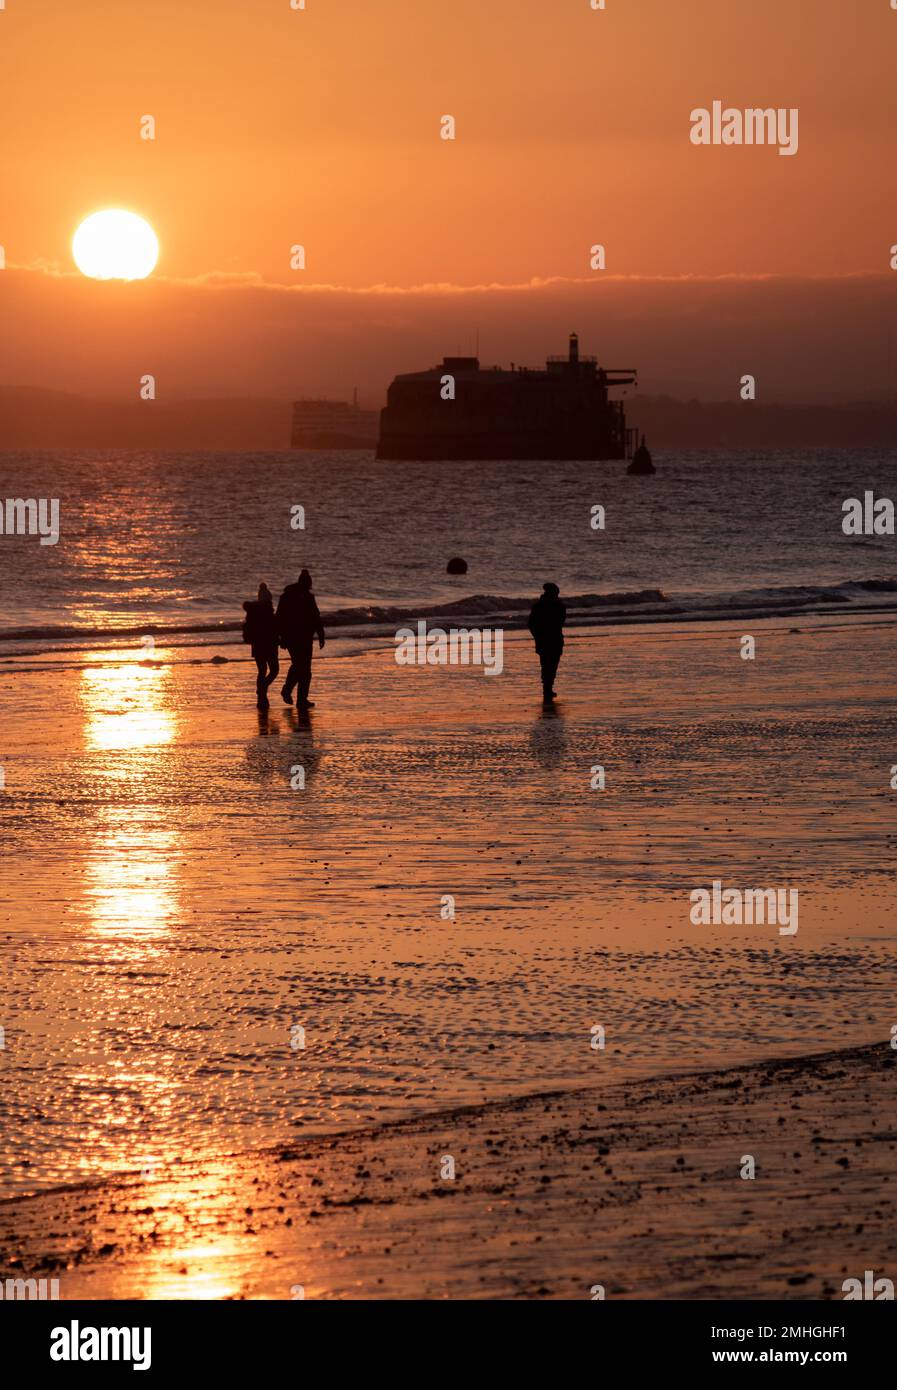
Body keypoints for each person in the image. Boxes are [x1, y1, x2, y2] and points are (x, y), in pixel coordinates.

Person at [276, 568, 325, 707]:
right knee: (300, 666)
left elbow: (315, 618)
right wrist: (321, 634)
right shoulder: (292, 596)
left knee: (302, 667)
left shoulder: (296, 596)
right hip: (296, 637)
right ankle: (291, 692)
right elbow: (280, 617)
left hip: (300, 637)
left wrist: (321, 634)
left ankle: (299, 698)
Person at [242, 582, 279, 709]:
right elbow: (274, 629)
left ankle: (261, 696)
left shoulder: (253, 612)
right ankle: (262, 691)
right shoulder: (268, 612)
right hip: (269, 645)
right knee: (274, 670)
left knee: (262, 671)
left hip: (257, 646)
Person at [527, 581, 566, 702]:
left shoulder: (540, 606)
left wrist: (537, 636)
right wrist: (537, 636)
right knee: (550, 664)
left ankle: (547, 688)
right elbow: (532, 624)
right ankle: (547, 688)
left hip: (547, 639)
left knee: (548, 664)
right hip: (550, 639)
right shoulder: (556, 606)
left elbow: (531, 624)